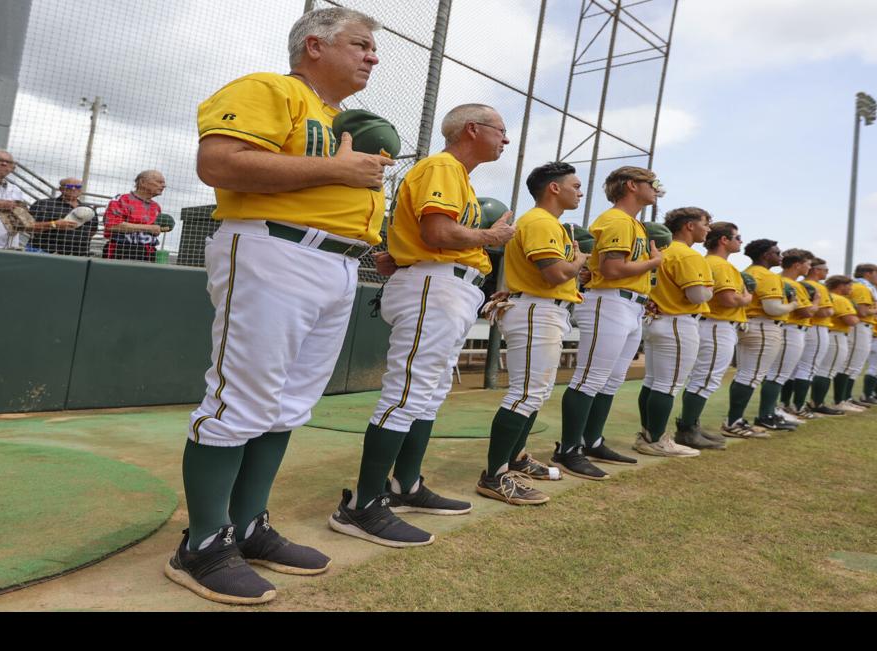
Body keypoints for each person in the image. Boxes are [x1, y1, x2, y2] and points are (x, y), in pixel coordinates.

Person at [168, 6, 394, 606]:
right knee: (240, 399)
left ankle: (247, 526)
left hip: (338, 263)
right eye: (360, 44)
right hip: (273, 246)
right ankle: (202, 543)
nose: (372, 56)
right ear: (315, 45)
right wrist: (335, 168)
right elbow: (218, 163)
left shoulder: (339, 119)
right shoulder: (271, 88)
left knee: (288, 404)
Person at [335, 102, 515, 546]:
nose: (506, 139)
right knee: (406, 394)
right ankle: (363, 506)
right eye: (500, 130)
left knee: (428, 395)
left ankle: (406, 486)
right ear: (472, 129)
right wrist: (492, 237)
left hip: (446, 285)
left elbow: (423, 234)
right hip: (435, 285)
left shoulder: (458, 176)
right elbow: (438, 234)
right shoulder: (443, 166)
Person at [476, 161, 586, 506]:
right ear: (554, 188)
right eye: (575, 185)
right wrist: (580, 261)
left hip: (544, 309)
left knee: (534, 394)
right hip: (537, 309)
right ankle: (495, 476)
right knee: (525, 394)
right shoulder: (540, 221)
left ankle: (516, 458)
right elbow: (555, 273)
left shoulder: (549, 223)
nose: (580, 192)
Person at [555, 166, 663, 479]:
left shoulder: (633, 223)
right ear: (632, 185)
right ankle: (568, 450)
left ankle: (592, 441)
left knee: (611, 380)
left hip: (629, 305)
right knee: (589, 379)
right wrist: (654, 263)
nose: (656, 188)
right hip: (609, 301)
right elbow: (613, 269)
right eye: (651, 182)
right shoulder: (616, 219)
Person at [635, 206, 713, 457]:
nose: (708, 229)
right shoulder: (687, 254)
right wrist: (711, 289)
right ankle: (656, 440)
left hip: (656, 320)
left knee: (652, 382)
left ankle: (648, 435)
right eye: (705, 223)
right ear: (689, 225)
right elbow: (697, 295)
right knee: (667, 385)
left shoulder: (660, 251)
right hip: (678, 322)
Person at [678, 222, 753, 441]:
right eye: (737, 237)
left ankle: (692, 426)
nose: (740, 241)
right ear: (724, 240)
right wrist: (747, 298)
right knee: (704, 379)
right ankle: (687, 430)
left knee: (702, 378)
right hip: (716, 325)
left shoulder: (709, 261)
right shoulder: (720, 265)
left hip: (710, 324)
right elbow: (728, 299)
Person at [722, 239, 795, 435]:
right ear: (765, 255)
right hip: (763, 326)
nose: (780, 256)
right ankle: (734, 421)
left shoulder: (747, 271)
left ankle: (735, 420)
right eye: (776, 253)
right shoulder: (766, 275)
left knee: (745, 374)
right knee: (751, 375)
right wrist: (793, 305)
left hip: (748, 324)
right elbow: (772, 308)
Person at [762, 249, 817, 428]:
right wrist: (816, 300)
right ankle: (768, 414)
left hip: (788, 328)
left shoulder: (784, 280)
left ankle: (774, 410)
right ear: (797, 265)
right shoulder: (790, 283)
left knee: (780, 373)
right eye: (807, 264)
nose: (809, 267)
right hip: (790, 329)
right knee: (777, 374)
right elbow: (806, 311)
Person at [784, 255, 835, 417]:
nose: (827, 272)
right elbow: (825, 311)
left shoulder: (798, 284)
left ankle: (786, 404)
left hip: (798, 327)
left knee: (792, 369)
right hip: (814, 328)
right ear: (816, 270)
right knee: (808, 367)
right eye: (825, 270)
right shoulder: (816, 286)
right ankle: (798, 406)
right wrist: (826, 308)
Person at [841, 263, 877, 407]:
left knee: (855, 365)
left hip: (862, 327)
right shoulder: (861, 287)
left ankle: (846, 398)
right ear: (868, 273)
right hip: (859, 326)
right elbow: (862, 312)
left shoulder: (862, 287)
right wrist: (876, 310)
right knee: (851, 364)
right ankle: (842, 399)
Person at [103, 170, 166, 261]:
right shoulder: (122, 199)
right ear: (142, 182)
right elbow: (112, 225)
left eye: (163, 183)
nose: (164, 185)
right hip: (121, 249)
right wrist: (149, 228)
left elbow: (155, 230)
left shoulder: (156, 207)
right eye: (159, 182)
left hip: (148, 251)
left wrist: (160, 229)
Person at [27, 178, 99, 256]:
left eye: (78, 187)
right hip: (45, 252)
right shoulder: (44, 204)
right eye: (69, 186)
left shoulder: (89, 210)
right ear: (61, 189)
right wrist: (54, 224)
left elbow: (92, 231)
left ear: (81, 190)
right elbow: (28, 226)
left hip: (78, 255)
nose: (73, 189)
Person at [823, 275, 863, 411]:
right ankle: (836, 402)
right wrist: (858, 316)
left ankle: (827, 402)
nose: (851, 288)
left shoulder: (828, 296)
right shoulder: (840, 299)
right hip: (835, 334)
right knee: (827, 371)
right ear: (840, 286)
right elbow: (851, 320)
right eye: (849, 285)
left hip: (828, 333)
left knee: (821, 370)